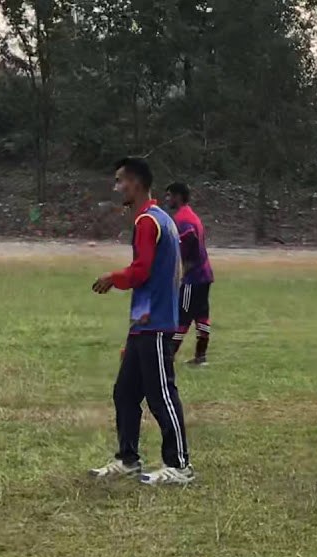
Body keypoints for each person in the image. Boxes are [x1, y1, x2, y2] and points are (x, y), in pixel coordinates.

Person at [89, 157, 194, 486]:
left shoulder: (149, 221)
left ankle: (179, 465)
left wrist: (113, 277)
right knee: (124, 392)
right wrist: (133, 330)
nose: (117, 187)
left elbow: (142, 272)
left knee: (161, 393)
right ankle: (128, 458)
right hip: (144, 324)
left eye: (120, 181)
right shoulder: (158, 218)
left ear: (135, 183)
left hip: (158, 325)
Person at [165, 182, 214, 366]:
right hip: (205, 275)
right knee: (201, 316)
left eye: (169, 195)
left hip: (192, 278)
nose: (167, 199)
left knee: (182, 316)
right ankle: (201, 357)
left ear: (178, 197)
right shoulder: (191, 215)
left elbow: (188, 247)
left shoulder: (183, 219)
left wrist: (180, 274)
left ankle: (168, 356)